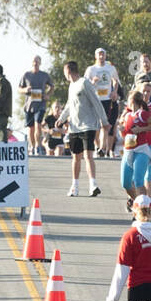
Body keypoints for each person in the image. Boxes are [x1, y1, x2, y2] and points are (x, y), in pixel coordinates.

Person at [61, 60, 104, 198]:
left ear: (68, 71)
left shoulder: (84, 83)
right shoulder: (71, 86)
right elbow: (69, 105)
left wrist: (104, 120)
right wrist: (61, 119)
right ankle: (75, 186)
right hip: (74, 127)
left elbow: (96, 101)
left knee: (88, 156)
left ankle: (93, 185)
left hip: (88, 125)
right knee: (76, 157)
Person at [119, 88, 151, 209]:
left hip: (141, 150)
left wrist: (141, 129)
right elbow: (126, 134)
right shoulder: (127, 115)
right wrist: (121, 130)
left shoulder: (142, 114)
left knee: (138, 180)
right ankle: (139, 203)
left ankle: (143, 209)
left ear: (133, 101)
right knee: (125, 183)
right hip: (129, 150)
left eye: (128, 100)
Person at [85, 49, 123, 155]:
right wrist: (93, 82)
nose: (101, 56)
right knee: (95, 126)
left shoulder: (110, 68)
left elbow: (116, 81)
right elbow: (85, 85)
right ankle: (98, 146)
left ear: (105, 56)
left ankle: (102, 148)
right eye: (99, 54)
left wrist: (114, 92)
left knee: (104, 125)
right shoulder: (91, 69)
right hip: (95, 100)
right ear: (95, 56)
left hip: (107, 100)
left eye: (103, 54)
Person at [19, 57, 54, 156]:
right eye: (34, 61)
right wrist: (25, 90)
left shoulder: (44, 75)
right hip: (29, 105)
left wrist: (47, 95)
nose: (36, 63)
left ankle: (38, 147)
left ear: (40, 63)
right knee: (31, 128)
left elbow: (52, 86)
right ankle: (32, 146)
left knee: (38, 124)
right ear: (31, 63)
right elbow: (19, 88)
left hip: (41, 104)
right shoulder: (27, 75)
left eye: (37, 62)